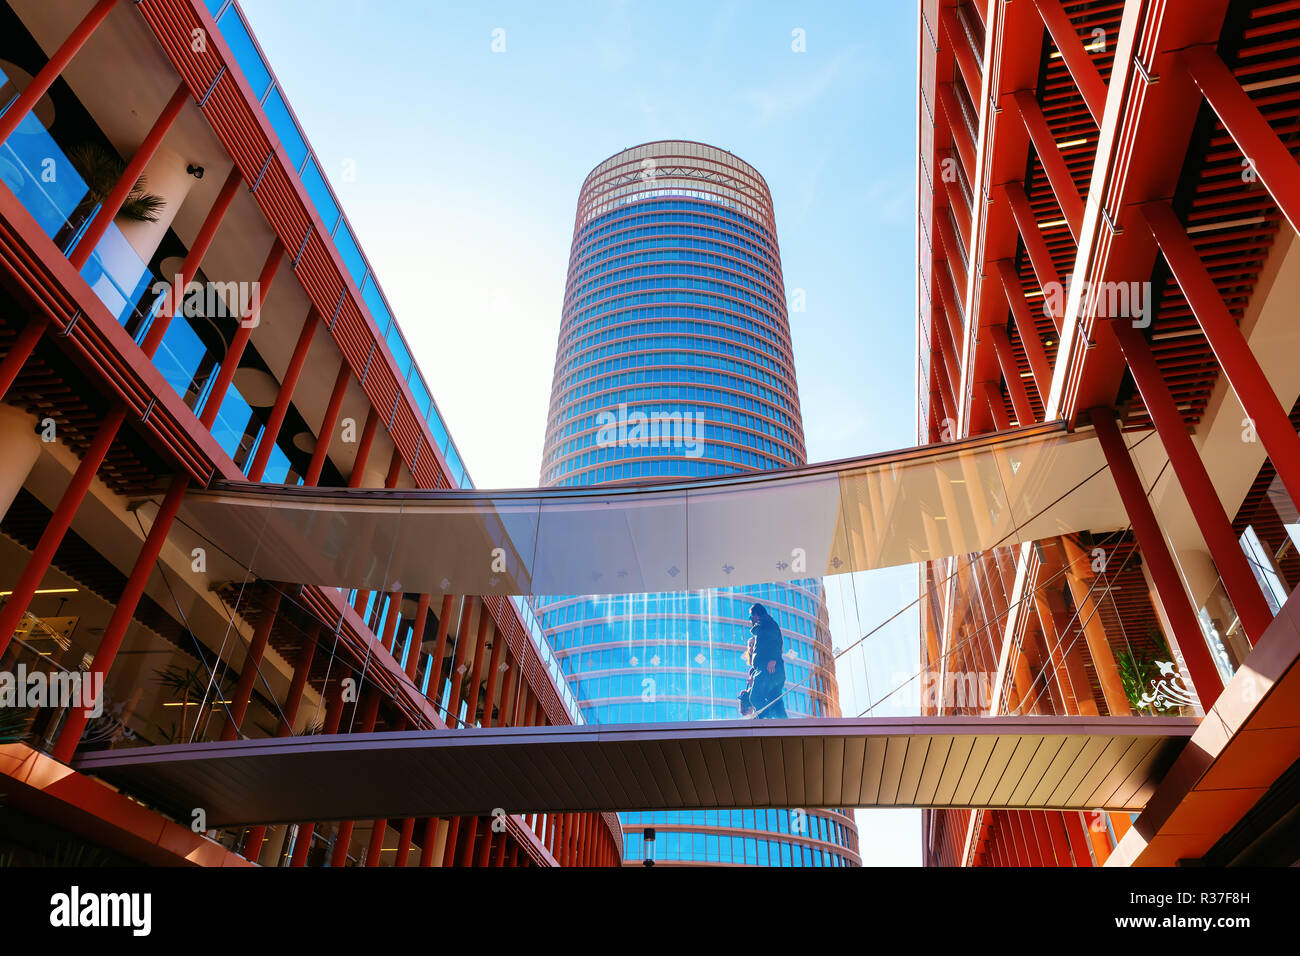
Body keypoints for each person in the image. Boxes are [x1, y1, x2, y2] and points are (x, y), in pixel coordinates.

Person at [738, 603, 788, 719]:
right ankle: (783, 722)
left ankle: (767, 719)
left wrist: (772, 659)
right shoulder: (767, 624)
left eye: (750, 617)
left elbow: (775, 642)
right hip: (771, 669)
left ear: (756, 615)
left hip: (766, 668)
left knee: (755, 697)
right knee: (775, 700)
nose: (750, 620)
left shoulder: (766, 624)